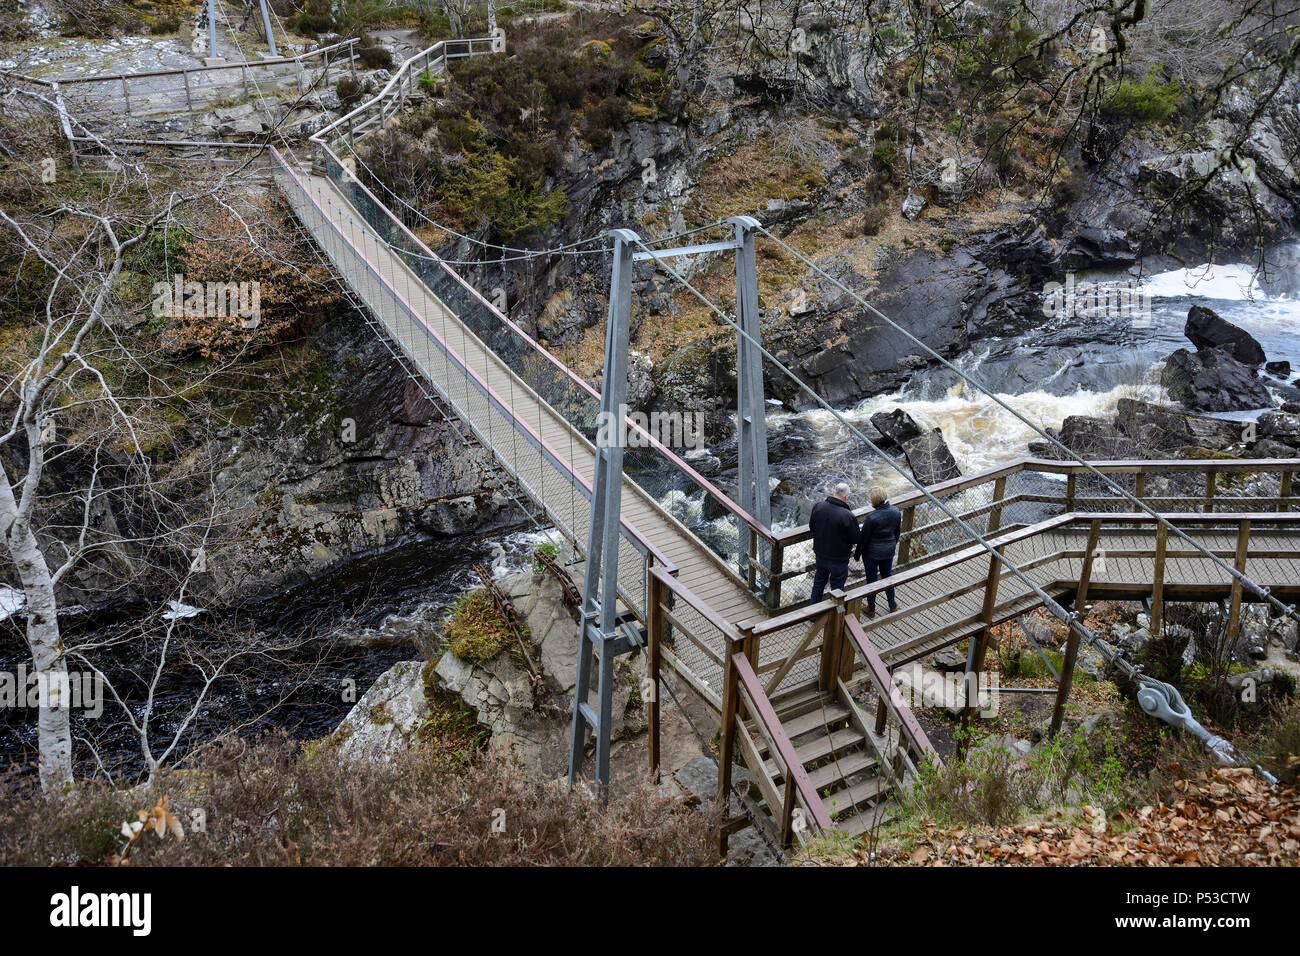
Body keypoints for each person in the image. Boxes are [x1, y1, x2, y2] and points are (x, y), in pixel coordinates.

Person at [808, 482, 859, 602]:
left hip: (820, 553)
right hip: (839, 558)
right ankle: (835, 615)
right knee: (837, 588)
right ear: (846, 497)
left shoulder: (818, 506)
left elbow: (812, 527)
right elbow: (856, 538)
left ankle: (814, 613)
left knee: (819, 582)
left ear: (833, 492)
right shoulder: (847, 515)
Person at [856, 485, 901, 616]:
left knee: (872, 579)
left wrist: (857, 555)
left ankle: (871, 608)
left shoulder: (872, 517)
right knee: (887, 576)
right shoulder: (895, 511)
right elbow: (897, 532)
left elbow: (864, 539)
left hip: (872, 553)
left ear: (873, 500)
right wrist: (893, 544)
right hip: (889, 550)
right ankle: (892, 605)